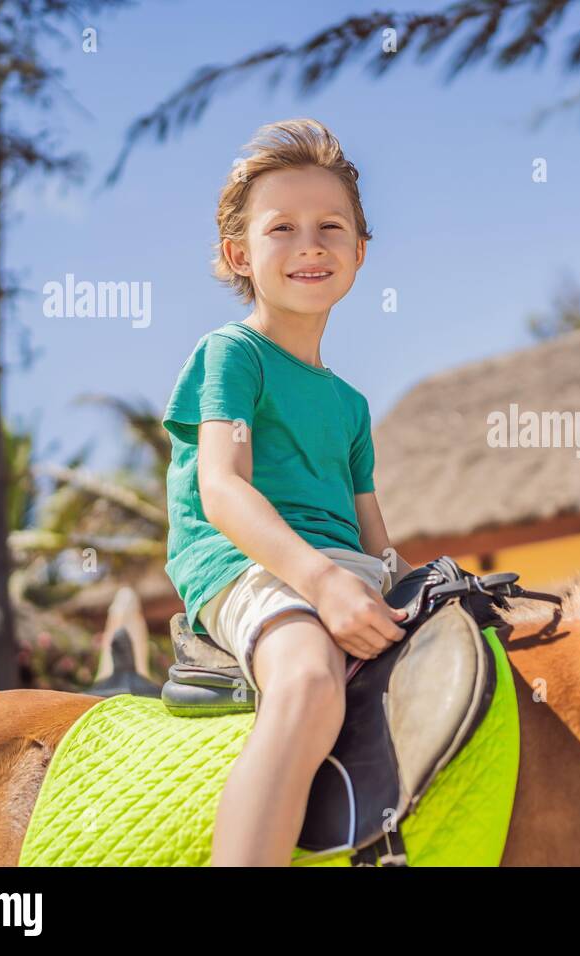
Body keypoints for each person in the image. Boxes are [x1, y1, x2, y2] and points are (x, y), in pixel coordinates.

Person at [162, 118, 413, 866]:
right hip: (250, 567)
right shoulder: (232, 355)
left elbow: (373, 535)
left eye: (331, 226)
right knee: (307, 679)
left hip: (342, 568)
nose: (311, 244)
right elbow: (223, 488)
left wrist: (408, 590)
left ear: (360, 253)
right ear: (241, 254)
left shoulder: (351, 405)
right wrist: (321, 581)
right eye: (283, 228)